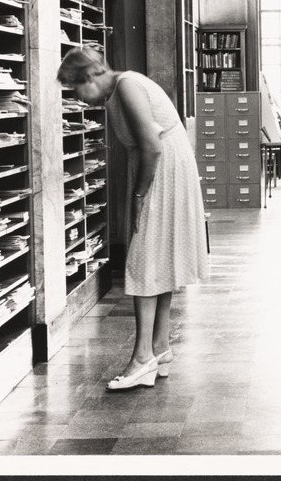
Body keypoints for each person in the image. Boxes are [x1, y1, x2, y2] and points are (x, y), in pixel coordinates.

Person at [57, 46, 209, 391]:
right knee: (159, 258)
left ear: (90, 76)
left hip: (162, 167)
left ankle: (142, 359)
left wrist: (139, 196)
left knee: (144, 259)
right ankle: (160, 347)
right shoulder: (122, 87)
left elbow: (152, 146)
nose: (77, 97)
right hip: (167, 164)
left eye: (75, 87)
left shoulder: (127, 85)